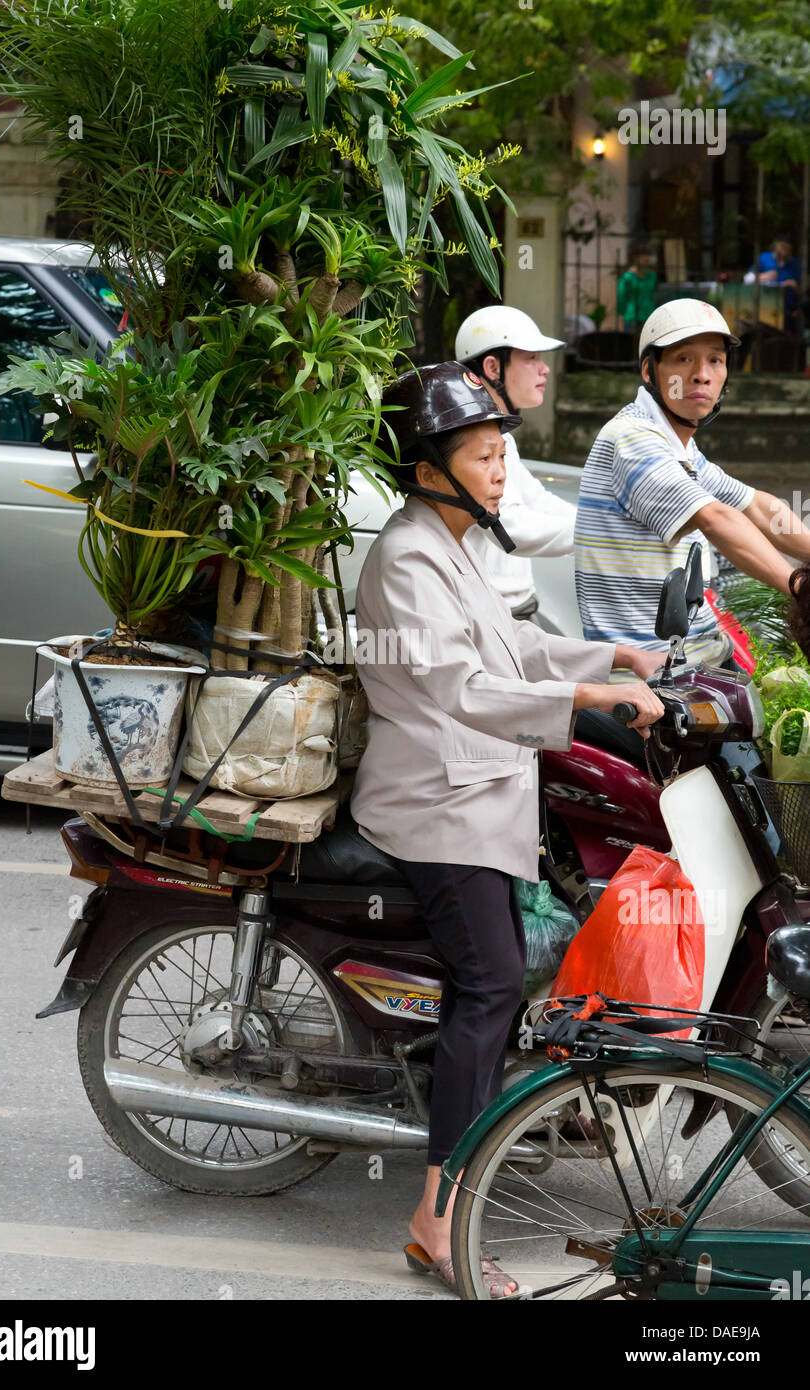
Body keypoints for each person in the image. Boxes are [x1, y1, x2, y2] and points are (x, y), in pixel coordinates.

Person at [351, 362, 664, 1297]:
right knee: (486, 987)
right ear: (427, 468)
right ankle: (437, 1220)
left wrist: (615, 653)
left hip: (478, 782)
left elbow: (515, 647)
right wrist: (590, 694)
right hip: (435, 803)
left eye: (502, 452)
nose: (500, 470)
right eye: (484, 455)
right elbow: (465, 688)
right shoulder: (408, 555)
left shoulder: (454, 544)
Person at [574, 298, 810, 666]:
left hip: (698, 657)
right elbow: (715, 518)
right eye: (684, 359)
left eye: (715, 360)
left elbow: (758, 506)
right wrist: (799, 588)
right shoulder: (632, 437)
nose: (702, 373)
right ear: (650, 371)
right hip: (652, 675)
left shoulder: (680, 449)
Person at [454, 305, 576, 621]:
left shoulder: (501, 435)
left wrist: (601, 521)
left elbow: (538, 500)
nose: (544, 368)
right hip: (486, 616)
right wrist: (599, 534)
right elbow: (509, 526)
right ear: (493, 368)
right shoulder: (470, 440)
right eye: (531, 358)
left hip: (514, 609)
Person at [757, 235, 802, 324]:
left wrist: (794, 286)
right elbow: (748, 279)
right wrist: (763, 276)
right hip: (764, 305)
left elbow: (802, 290)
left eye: (787, 248)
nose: (784, 251)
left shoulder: (795, 263)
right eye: (782, 247)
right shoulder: (764, 257)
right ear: (775, 246)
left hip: (788, 308)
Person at [617, 243, 659, 336]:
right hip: (632, 315)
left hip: (649, 315)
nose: (647, 258)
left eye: (649, 255)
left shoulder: (653, 276)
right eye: (644, 255)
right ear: (635, 258)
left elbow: (655, 295)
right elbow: (621, 297)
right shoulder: (627, 277)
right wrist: (621, 315)